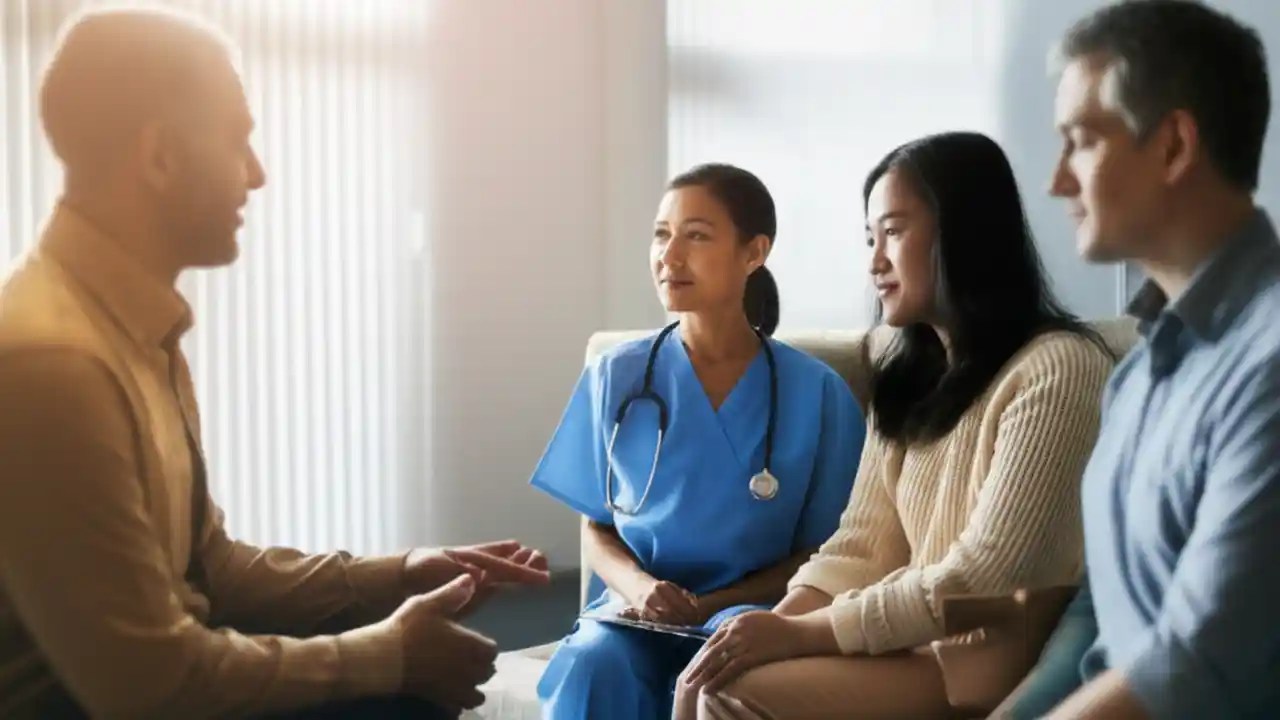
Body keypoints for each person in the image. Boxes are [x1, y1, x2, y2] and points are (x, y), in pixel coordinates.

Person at [0, 9, 549, 719]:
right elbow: (147, 681)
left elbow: (211, 568)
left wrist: (400, 573)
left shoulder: (136, 328)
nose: (256, 175)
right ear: (161, 156)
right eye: (237, 140)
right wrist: (384, 653)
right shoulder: (53, 363)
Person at [674, 132, 1118, 719]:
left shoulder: (1059, 368)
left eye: (894, 231)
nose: (875, 261)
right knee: (716, 676)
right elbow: (859, 547)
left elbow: (981, 579)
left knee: (731, 694)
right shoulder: (907, 378)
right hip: (904, 649)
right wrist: (762, 632)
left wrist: (798, 638)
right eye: (869, 237)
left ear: (964, 233)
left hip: (982, 669)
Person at [528, 163, 866, 719]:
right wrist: (639, 589)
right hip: (634, 615)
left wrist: (709, 605)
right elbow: (598, 525)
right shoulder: (617, 377)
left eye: (697, 235)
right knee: (594, 664)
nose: (670, 255)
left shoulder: (818, 393)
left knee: (722, 675)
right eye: (662, 234)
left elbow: (825, 553)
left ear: (754, 253)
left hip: (751, 617)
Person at [1020, 2, 1278, 718]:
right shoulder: (1135, 374)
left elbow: (1197, 666)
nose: (1057, 182)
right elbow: (1100, 619)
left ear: (1173, 146)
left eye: (1080, 142)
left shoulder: (1271, 367)